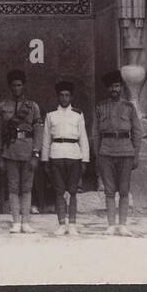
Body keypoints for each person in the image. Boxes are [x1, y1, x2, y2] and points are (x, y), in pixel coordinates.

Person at [92, 69, 143, 236]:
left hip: (126, 152)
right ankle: (111, 224)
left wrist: (136, 155)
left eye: (117, 86)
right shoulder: (100, 107)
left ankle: (122, 224)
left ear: (121, 87)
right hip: (106, 151)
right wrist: (97, 156)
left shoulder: (129, 107)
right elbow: (95, 134)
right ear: (107, 89)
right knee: (108, 190)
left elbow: (137, 132)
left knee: (123, 190)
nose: (114, 89)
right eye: (111, 87)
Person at [0, 68, 42, 234]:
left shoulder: (33, 107)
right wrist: (0, 154)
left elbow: (38, 131)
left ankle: (26, 222)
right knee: (13, 187)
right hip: (10, 150)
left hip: (28, 149)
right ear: (10, 87)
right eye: (14, 85)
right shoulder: (2, 107)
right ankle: (15, 221)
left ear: (24, 86)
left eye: (19, 85)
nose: (16, 88)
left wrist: (36, 152)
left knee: (27, 188)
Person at [42, 79, 90, 235]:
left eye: (67, 95)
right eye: (61, 95)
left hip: (73, 154)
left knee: (73, 191)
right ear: (57, 97)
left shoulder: (78, 114)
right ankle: (62, 223)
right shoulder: (51, 115)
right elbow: (46, 138)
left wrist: (85, 159)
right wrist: (45, 159)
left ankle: (73, 224)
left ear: (71, 97)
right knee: (59, 191)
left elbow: (83, 137)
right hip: (56, 154)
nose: (64, 98)